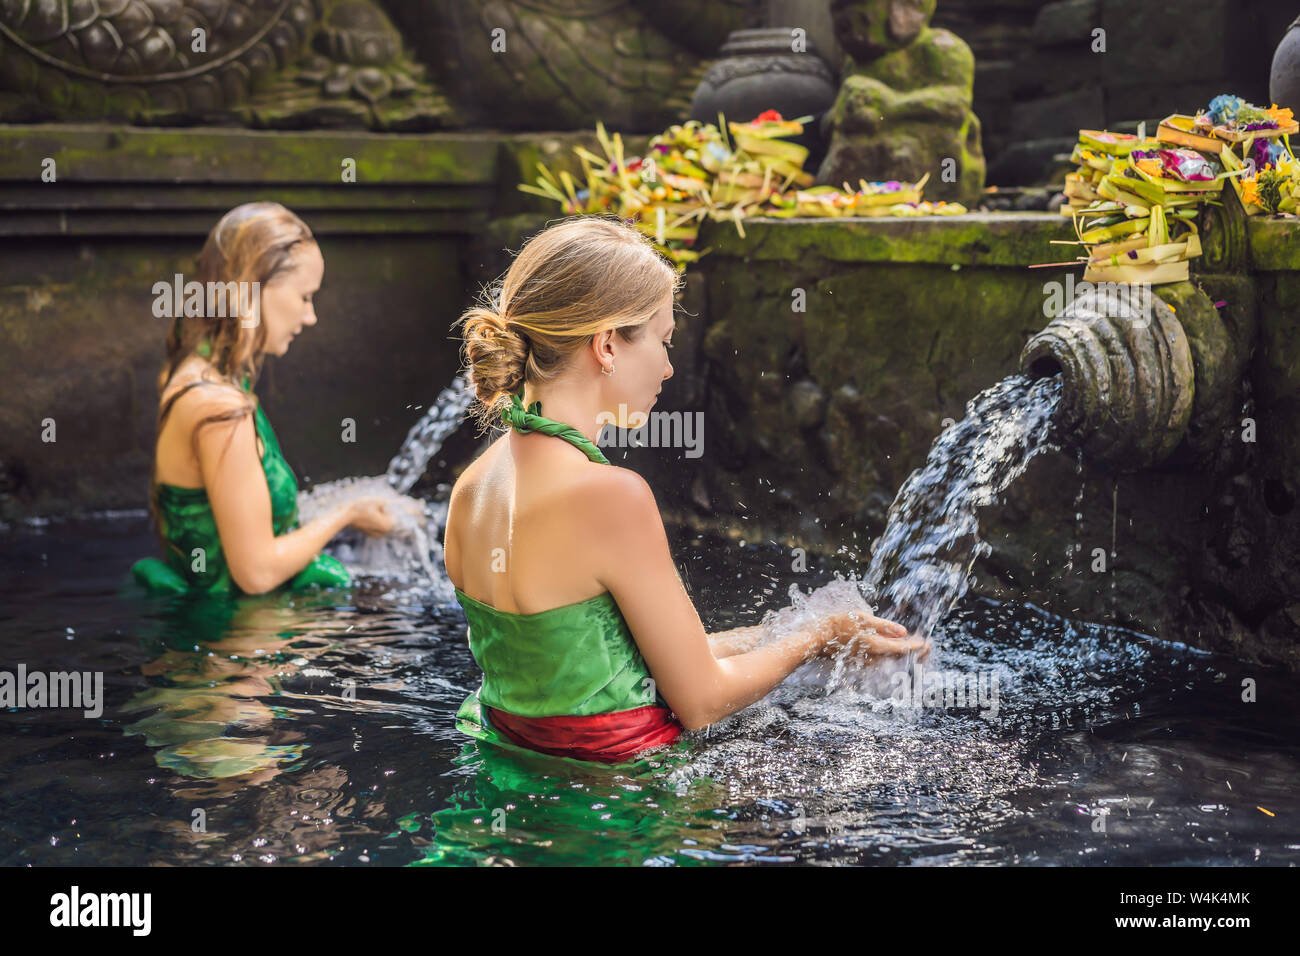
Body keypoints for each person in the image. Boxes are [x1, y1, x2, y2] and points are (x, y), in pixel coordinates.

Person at [444, 215, 930, 765]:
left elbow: (611, 665)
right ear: (606, 345)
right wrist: (818, 636)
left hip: (505, 782)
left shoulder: (473, 487)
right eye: (662, 340)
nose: (671, 367)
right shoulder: (610, 495)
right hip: (622, 809)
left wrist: (796, 628)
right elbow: (702, 700)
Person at [132, 202, 394, 597]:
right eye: (305, 297)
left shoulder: (190, 373)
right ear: (255, 287)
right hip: (243, 651)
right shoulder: (219, 409)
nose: (311, 317)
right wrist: (348, 515)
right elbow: (256, 572)